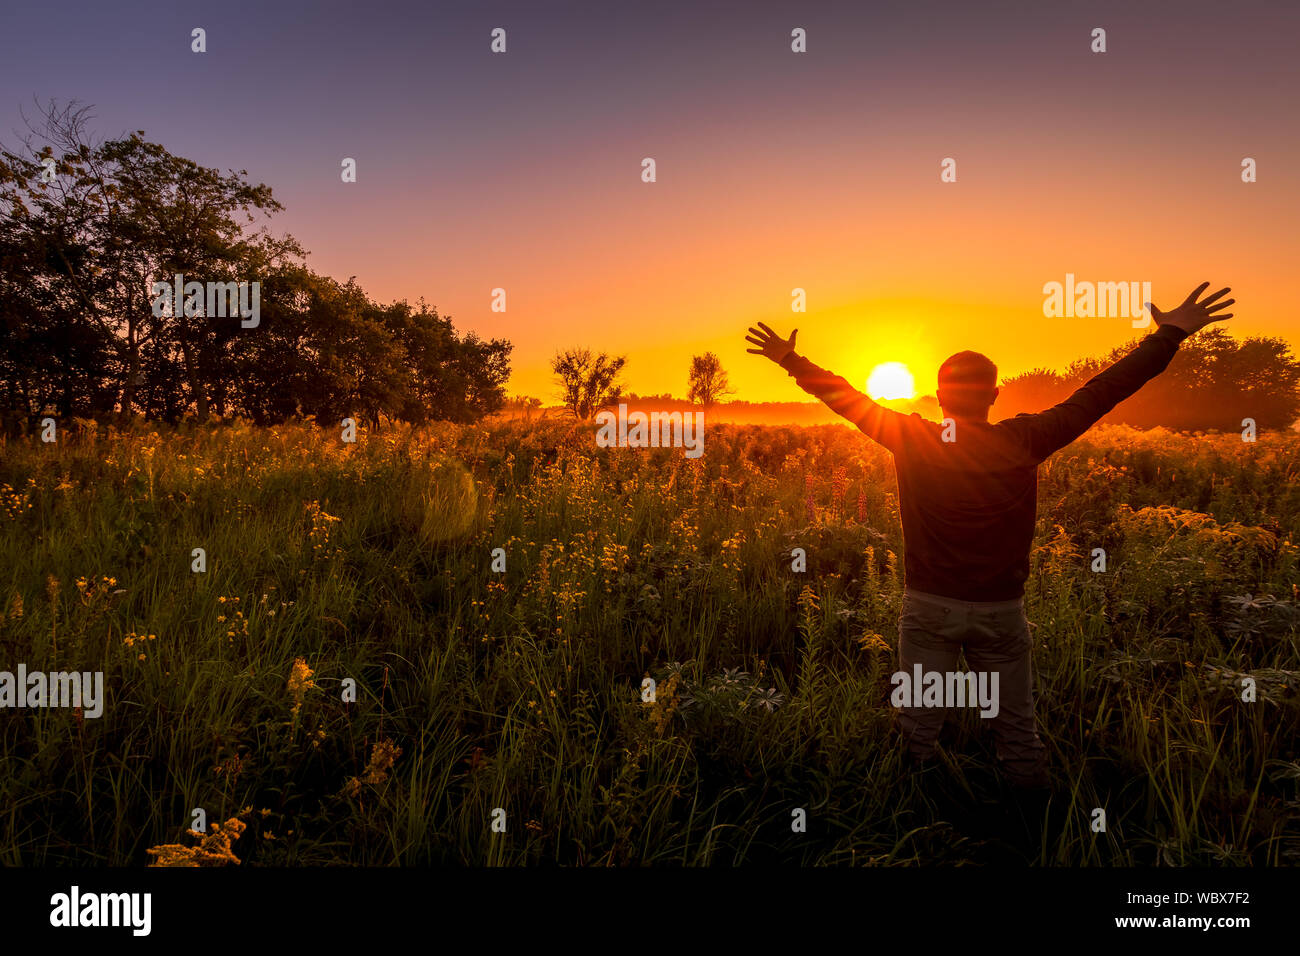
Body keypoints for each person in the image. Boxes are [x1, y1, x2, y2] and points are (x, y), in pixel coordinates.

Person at [746, 282, 1234, 790]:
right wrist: (1170, 334)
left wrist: (790, 359)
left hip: (930, 608)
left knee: (917, 732)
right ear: (995, 395)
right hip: (1001, 611)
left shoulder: (912, 438)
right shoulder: (1026, 439)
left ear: (938, 398)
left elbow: (844, 398)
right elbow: (1101, 393)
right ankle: (1030, 828)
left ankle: (916, 825)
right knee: (1017, 732)